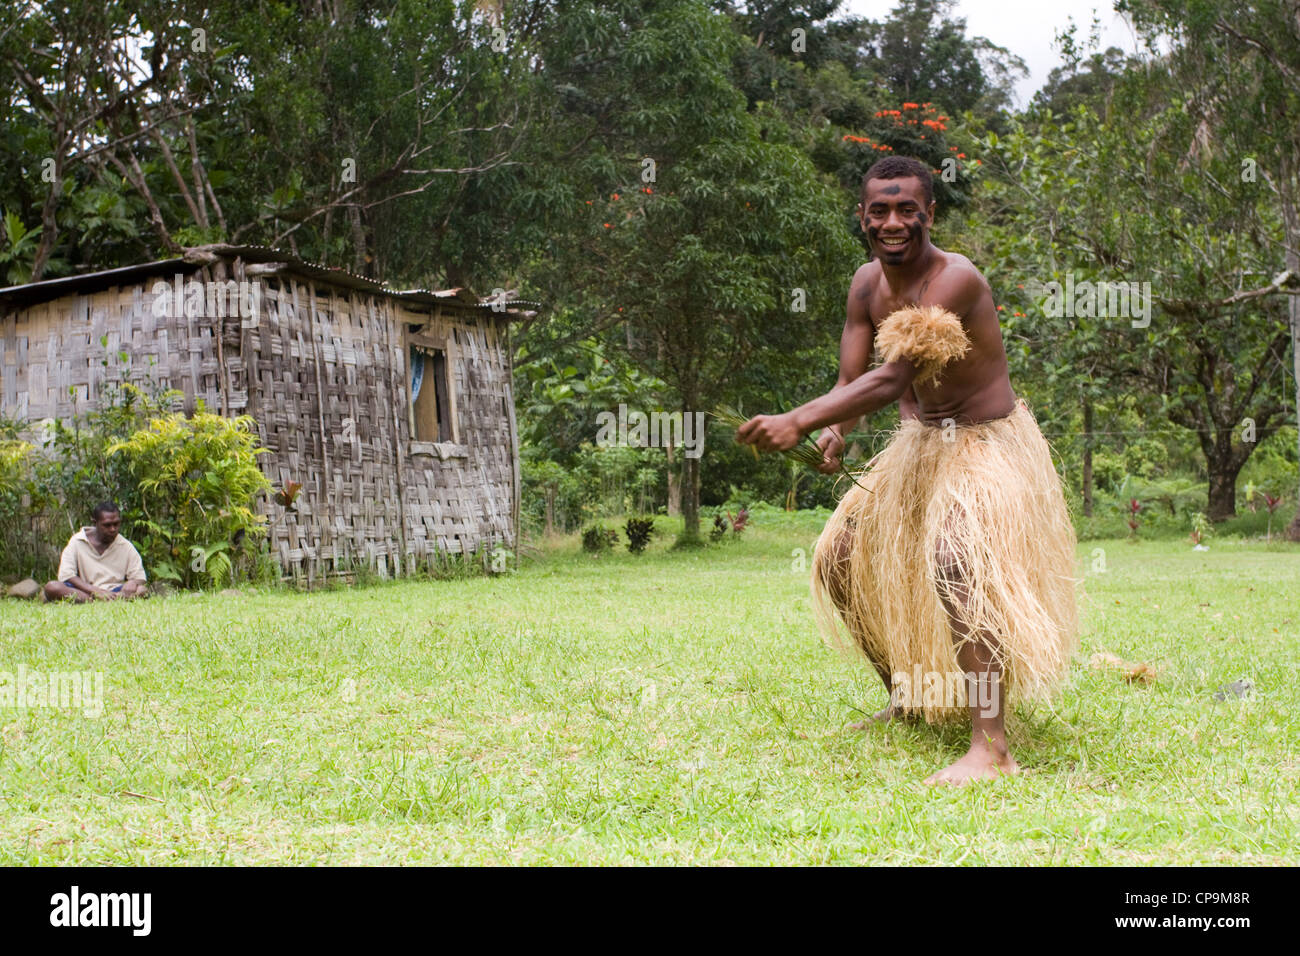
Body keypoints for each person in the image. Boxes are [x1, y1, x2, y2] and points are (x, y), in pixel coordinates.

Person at [737, 156, 1078, 785]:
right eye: (879, 211)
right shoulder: (866, 285)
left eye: (906, 210)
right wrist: (836, 428)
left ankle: (992, 747)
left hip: (985, 444)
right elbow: (853, 378)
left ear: (929, 213)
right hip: (918, 443)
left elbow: (894, 376)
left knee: (957, 559)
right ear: (862, 217)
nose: (893, 223)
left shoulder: (956, 280)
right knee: (838, 559)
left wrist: (799, 419)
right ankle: (909, 697)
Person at [44, 502, 149, 603]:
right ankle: (98, 601)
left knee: (141, 590)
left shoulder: (125, 545)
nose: (113, 529)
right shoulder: (77, 541)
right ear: (95, 523)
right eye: (107, 525)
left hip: (114, 591)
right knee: (52, 587)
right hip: (85, 591)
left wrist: (133, 582)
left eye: (116, 524)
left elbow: (139, 576)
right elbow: (67, 575)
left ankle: (105, 600)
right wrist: (96, 591)